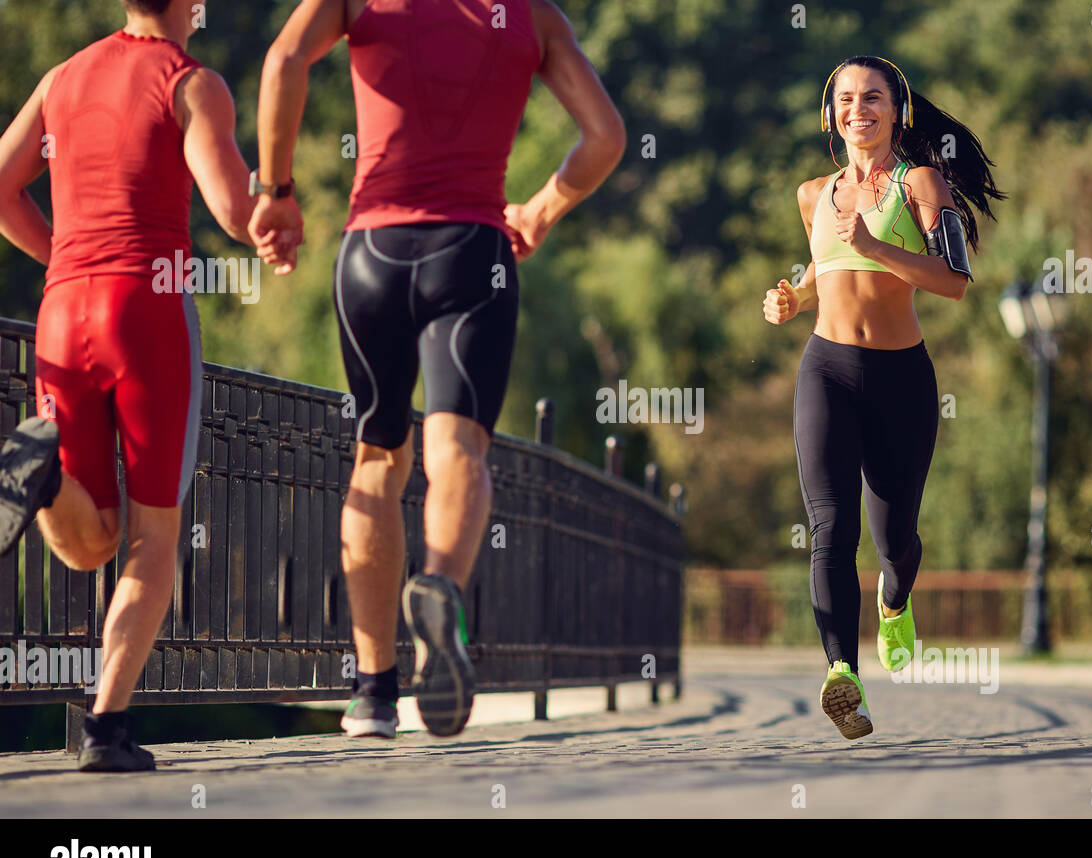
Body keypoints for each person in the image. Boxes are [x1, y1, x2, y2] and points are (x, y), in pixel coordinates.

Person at [250, 0, 625, 738]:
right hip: (472, 252)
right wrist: (543, 210)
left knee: (377, 460)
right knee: (458, 449)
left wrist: (278, 192)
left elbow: (284, 61)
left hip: (372, 255)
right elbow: (607, 137)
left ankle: (372, 693)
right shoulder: (531, 17)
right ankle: (441, 591)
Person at [0, 0, 265, 769]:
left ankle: (42, 477)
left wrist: (61, 255)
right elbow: (229, 204)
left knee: (92, 544)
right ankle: (104, 729)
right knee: (152, 537)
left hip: (60, 308)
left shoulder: (61, 78)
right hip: (146, 310)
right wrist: (273, 209)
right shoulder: (192, 83)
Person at [762, 56, 1004, 739]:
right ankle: (843, 675)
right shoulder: (814, 194)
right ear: (829, 113)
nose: (858, 108)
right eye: (846, 98)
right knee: (830, 529)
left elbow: (955, 278)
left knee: (893, 539)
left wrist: (875, 243)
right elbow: (820, 265)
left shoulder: (920, 182)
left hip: (901, 379)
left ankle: (895, 602)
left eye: (872, 98)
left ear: (896, 111)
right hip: (826, 371)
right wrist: (793, 296)